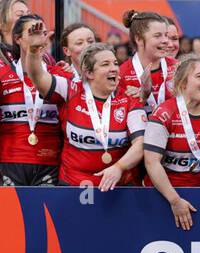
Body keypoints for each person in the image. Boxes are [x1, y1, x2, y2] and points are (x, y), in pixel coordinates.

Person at [26, 41, 147, 189]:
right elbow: (38, 77)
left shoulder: (129, 99)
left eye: (115, 63)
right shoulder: (71, 90)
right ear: (89, 73)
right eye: (105, 64)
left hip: (117, 186)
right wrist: (32, 51)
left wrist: (119, 167)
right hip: (72, 184)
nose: (114, 68)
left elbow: (141, 144)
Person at [143, 56, 200, 229]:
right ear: (183, 83)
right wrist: (174, 200)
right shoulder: (164, 114)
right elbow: (151, 162)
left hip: (198, 195)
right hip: (160, 196)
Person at [0, 14, 63, 187]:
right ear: (18, 39)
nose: (40, 38)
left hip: (49, 163)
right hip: (10, 162)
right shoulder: (1, 77)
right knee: (9, 215)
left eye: (44, 33)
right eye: (33, 33)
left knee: (45, 216)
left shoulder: (59, 75)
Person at [116, 10, 175, 111]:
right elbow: (117, 115)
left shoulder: (178, 68)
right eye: (157, 36)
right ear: (138, 39)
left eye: (165, 35)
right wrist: (138, 99)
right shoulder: (121, 74)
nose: (166, 41)